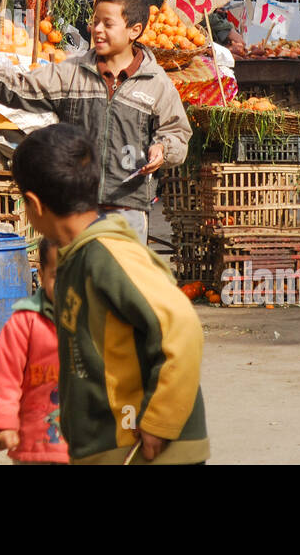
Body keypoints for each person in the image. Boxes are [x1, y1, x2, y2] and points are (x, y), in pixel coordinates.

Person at [11, 123, 209, 465]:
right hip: (109, 447)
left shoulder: (109, 254)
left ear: (33, 204)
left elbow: (182, 327)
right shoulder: (74, 259)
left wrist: (159, 421)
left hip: (147, 448)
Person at [0, 0, 190, 243]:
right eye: (95, 22)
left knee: (120, 279)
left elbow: (176, 132)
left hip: (127, 207)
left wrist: (163, 148)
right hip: (73, 205)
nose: (97, 30)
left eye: (108, 24)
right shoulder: (72, 73)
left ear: (135, 30)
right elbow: (24, 88)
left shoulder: (156, 83)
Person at [0, 237, 69, 464]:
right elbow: (6, 377)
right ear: (41, 276)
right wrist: (4, 424)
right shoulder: (24, 322)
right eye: (58, 276)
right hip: (34, 445)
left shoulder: (97, 322)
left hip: (86, 447)